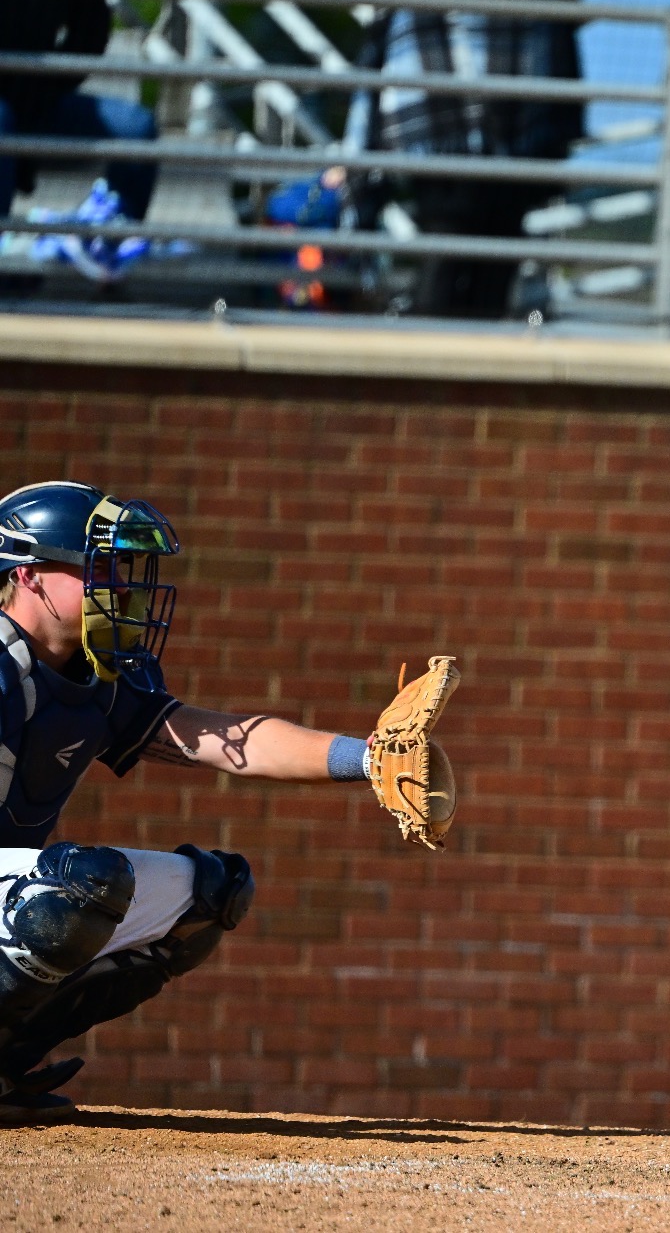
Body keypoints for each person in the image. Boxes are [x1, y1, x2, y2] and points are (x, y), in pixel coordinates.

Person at [0, 481, 449, 1122]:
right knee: (75, 888)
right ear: (29, 575)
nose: (121, 586)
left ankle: (5, 1068)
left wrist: (367, 758)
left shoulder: (93, 676)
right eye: (98, 567)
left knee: (209, 894)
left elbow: (223, 740)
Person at [349, 0, 584, 318]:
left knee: (445, 249)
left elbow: (386, 12)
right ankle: (475, 366)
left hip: (430, 115)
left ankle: (427, 368)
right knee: (495, 256)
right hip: (517, 123)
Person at [0, 0, 158, 230]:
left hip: (38, 96)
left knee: (136, 127)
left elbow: (92, 25)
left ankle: (107, 251)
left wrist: (52, 83)